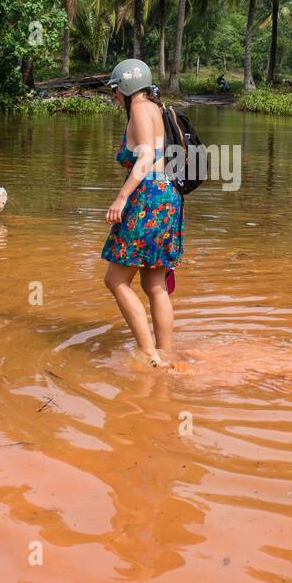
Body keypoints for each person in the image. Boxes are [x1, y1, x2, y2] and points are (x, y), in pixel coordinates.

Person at [102, 59, 183, 368]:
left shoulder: (138, 107)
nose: (114, 97)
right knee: (154, 285)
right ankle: (166, 352)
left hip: (146, 199)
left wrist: (122, 197)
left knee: (115, 280)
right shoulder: (156, 109)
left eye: (114, 90)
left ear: (125, 87)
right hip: (167, 197)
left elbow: (147, 156)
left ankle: (149, 355)